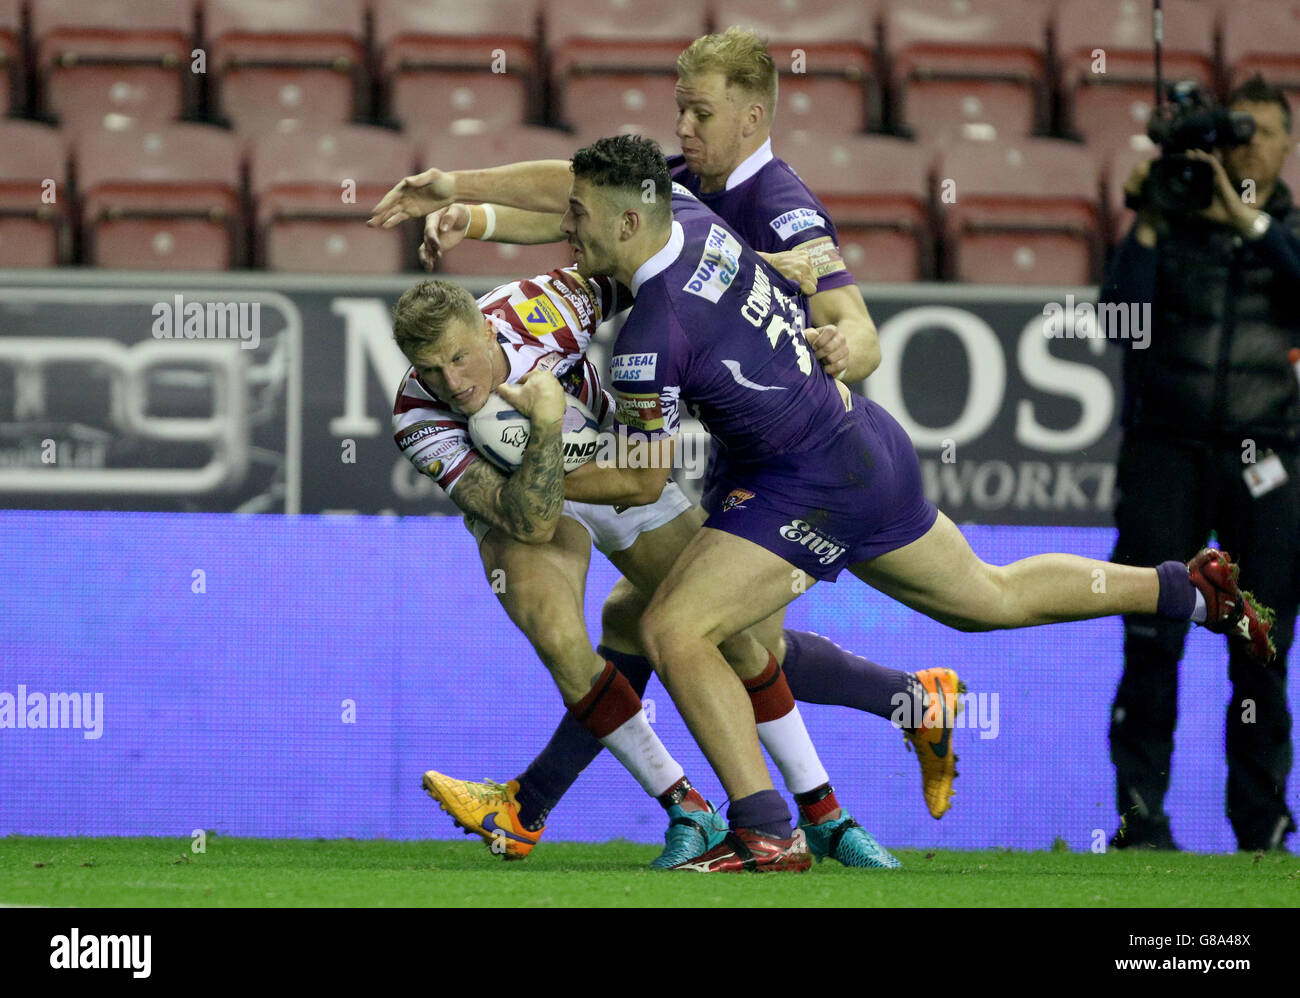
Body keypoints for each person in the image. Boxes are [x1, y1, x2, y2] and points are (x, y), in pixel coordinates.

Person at [546, 134, 1273, 870]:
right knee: (987, 595)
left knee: (677, 627)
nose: (564, 227)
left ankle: (766, 827)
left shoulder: (649, 338)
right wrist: (463, 203)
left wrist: (536, 472)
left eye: (576, 213)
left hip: (805, 484)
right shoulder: (697, 222)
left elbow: (640, 480)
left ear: (630, 223)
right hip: (864, 441)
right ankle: (1184, 589)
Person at [371, 27, 966, 845]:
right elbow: (581, 206)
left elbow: (850, 324)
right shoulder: (678, 190)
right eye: (679, 109)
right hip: (622, 468)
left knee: (716, 633)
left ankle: (819, 799)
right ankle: (598, 805)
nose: (682, 127)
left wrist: (844, 341)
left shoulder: (779, 205)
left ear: (753, 116)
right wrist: (466, 205)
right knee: (617, 630)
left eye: (698, 111)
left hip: (746, 456)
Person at [391, 264, 901, 871]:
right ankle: (687, 807)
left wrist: (757, 266)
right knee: (558, 636)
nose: (451, 382)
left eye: (460, 358)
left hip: (622, 462)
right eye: (430, 369)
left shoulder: (541, 304)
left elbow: (658, 271)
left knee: (730, 635)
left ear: (484, 325)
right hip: (523, 503)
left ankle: (827, 812)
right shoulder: (417, 416)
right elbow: (526, 520)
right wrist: (548, 425)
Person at [1101, 74, 1300, 852]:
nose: (1246, 145)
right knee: (1152, 636)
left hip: (1271, 458)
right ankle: (1140, 820)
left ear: (1287, 145)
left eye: (1260, 132)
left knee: (1264, 645)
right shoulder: (1168, 224)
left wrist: (1245, 221)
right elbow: (1120, 319)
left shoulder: (1285, 232)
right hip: (1166, 455)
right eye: (1234, 132)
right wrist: (1150, 218)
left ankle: (1263, 827)